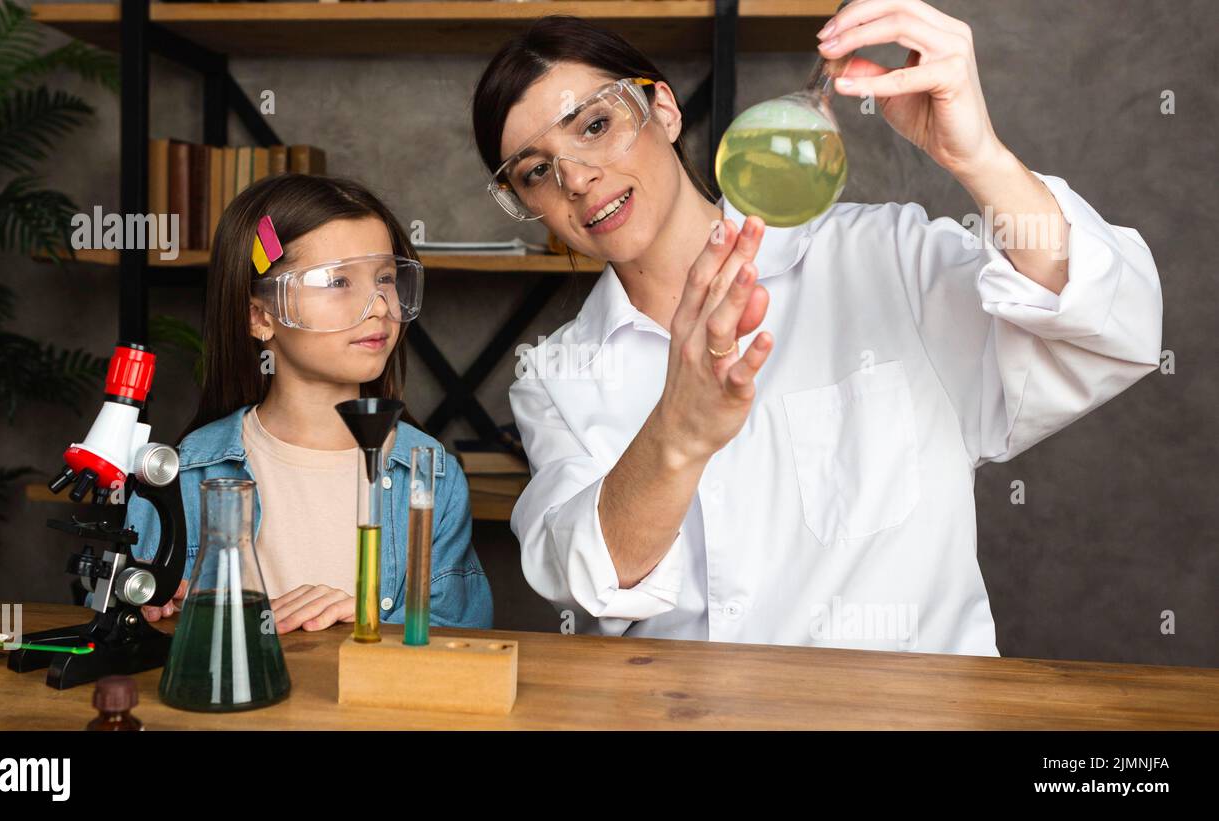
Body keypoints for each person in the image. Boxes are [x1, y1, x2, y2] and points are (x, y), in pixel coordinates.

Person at [471, 10, 1161, 653]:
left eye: (593, 125)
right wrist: (677, 436)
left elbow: (1112, 326)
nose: (579, 177)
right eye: (536, 172)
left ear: (664, 109)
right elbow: (588, 575)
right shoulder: (558, 375)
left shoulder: (882, 258)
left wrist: (978, 157)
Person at [127, 174, 493, 633]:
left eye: (385, 278)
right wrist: (160, 609)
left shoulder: (431, 476)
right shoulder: (184, 473)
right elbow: (127, 614)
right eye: (338, 280)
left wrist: (366, 621)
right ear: (261, 317)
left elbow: (463, 636)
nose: (379, 305)